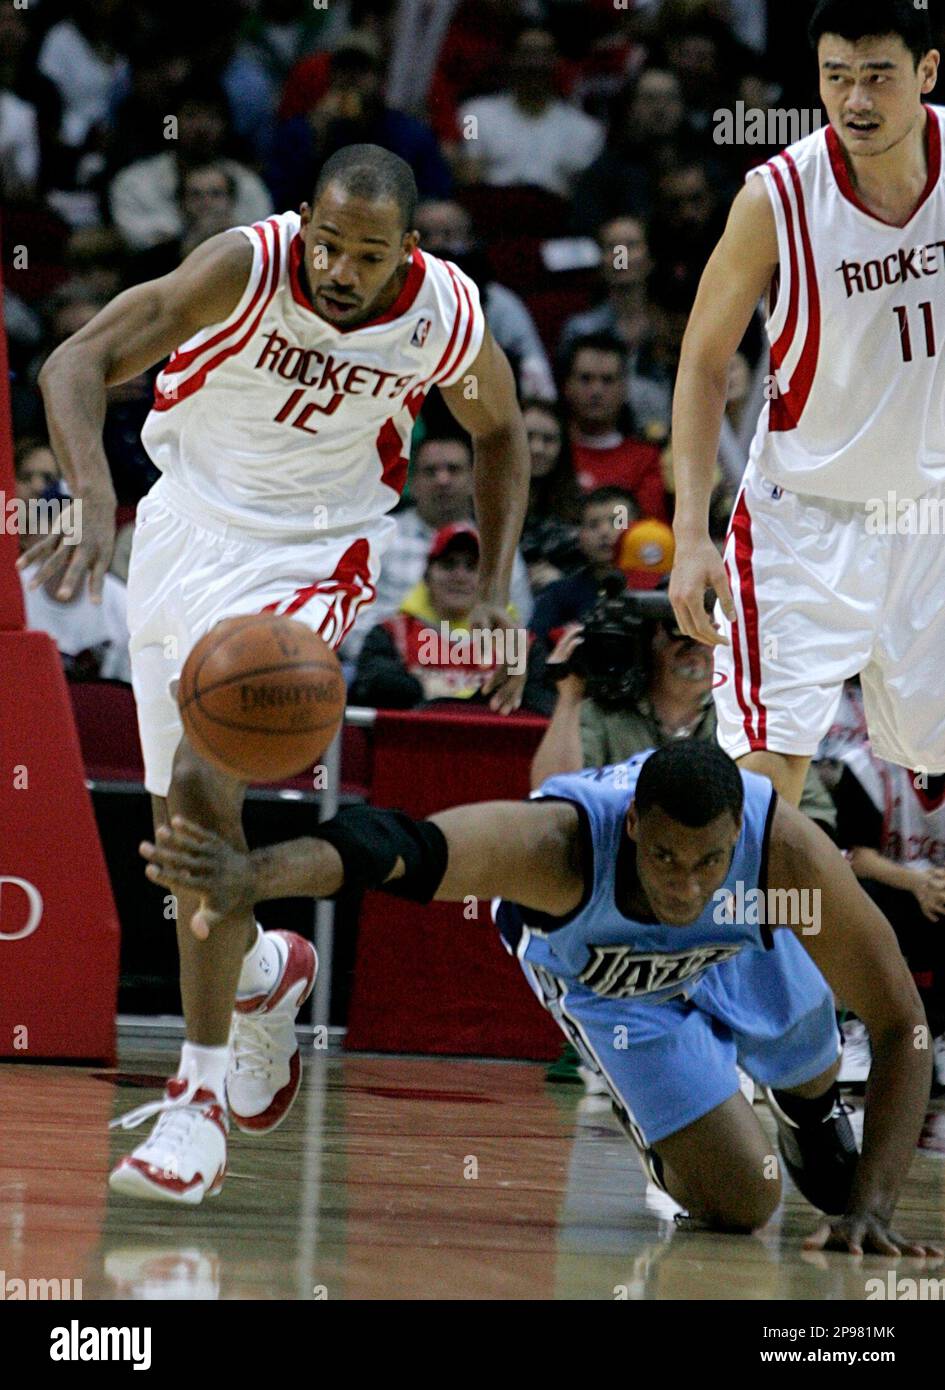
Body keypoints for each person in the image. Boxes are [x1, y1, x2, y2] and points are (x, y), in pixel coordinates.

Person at [23, 143, 531, 1204]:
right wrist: (90, 489)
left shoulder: (443, 314)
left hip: (313, 550)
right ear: (303, 221)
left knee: (210, 794)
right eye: (329, 244)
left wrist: (493, 581)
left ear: (411, 248)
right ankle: (264, 972)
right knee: (185, 840)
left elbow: (499, 433)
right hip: (178, 531)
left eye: (368, 254)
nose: (343, 270)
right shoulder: (242, 268)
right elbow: (73, 361)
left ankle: (195, 1103)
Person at [141, 740, 940, 1255]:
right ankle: (661, 1129)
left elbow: (901, 1020)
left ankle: (805, 1107)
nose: (685, 882)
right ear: (631, 825)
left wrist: (872, 1208)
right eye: (665, 856)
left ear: (739, 834)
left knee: (830, 1141)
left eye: (708, 862)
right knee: (744, 1202)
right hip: (616, 991)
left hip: (737, 949)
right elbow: (400, 847)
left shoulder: (782, 851)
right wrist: (256, 876)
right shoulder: (556, 849)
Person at [670, 0, 945, 806]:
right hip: (804, 524)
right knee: (765, 778)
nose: (855, 100)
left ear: (926, 73)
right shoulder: (776, 198)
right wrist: (690, 533)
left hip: (931, 514)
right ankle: (758, 935)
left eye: (877, 78)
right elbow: (701, 362)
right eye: (835, 78)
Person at [340, 430, 534, 665]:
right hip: (392, 670)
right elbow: (348, 621)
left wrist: (459, 665)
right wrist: (395, 659)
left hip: (480, 672)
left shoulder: (498, 545)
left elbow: (520, 622)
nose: (443, 480)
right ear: (411, 482)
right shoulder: (377, 540)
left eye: (453, 469)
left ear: (475, 481)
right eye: (430, 471)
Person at [350, 523, 548, 713]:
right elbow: (371, 686)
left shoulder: (519, 643)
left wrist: (433, 692)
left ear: (489, 580)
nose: (460, 576)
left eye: (471, 567)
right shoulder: (391, 634)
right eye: (448, 564)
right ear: (427, 575)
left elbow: (540, 699)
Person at [415, 199, 556, 400]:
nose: (437, 245)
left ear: (470, 241)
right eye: (426, 236)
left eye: (448, 235)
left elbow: (539, 390)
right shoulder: (387, 301)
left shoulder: (500, 304)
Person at [108, 86, 273, 252]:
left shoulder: (248, 184)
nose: (202, 128)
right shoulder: (134, 183)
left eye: (211, 117)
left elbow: (262, 245)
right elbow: (137, 240)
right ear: (170, 125)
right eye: (191, 116)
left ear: (225, 125)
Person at [458, 26, 605, 198]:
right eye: (526, 54)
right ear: (511, 59)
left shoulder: (586, 130)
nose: (535, 64)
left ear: (557, 61)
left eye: (543, 55)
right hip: (491, 209)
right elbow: (468, 176)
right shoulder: (474, 115)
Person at [563, 334, 668, 516]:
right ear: (567, 385)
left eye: (608, 380)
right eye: (586, 379)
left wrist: (615, 529)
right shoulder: (547, 451)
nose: (596, 391)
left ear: (625, 388)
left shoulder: (645, 460)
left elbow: (645, 529)